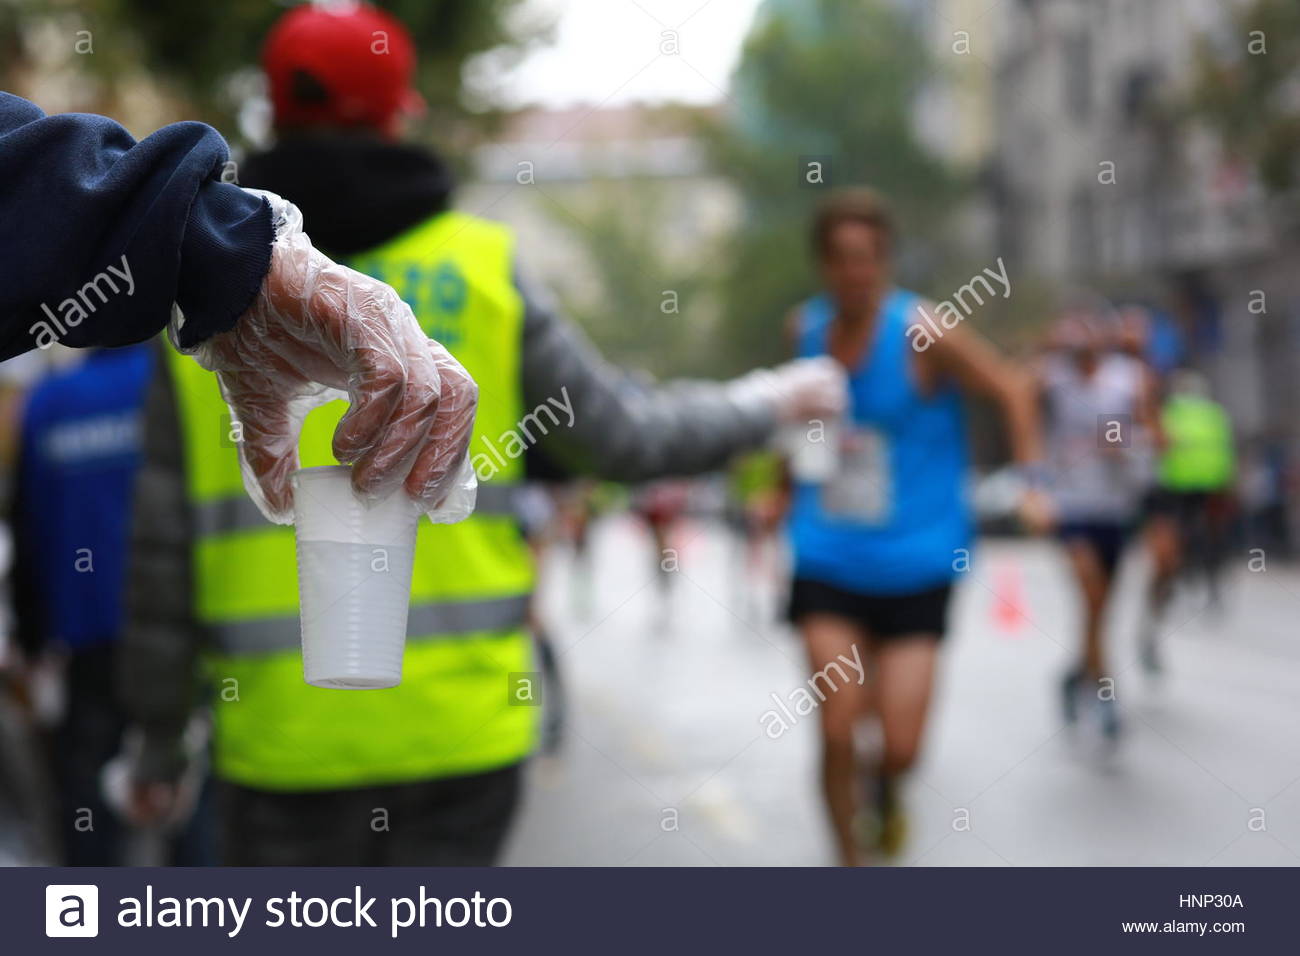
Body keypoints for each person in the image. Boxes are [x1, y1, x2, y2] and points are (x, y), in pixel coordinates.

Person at [120, 2, 845, 867]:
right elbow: (626, 438)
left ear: (272, 114)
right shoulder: (486, 269)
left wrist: (158, 747)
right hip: (464, 738)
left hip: (281, 745)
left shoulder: (205, 302)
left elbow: (160, 557)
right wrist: (769, 402)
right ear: (398, 115)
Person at [0, 91, 477, 520]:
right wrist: (209, 243)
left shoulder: (188, 297)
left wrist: (215, 246)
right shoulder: (487, 258)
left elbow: (153, 515)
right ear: (393, 119)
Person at [782, 189, 1051, 866]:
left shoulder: (924, 332)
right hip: (826, 556)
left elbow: (1013, 389)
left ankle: (885, 791)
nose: (856, 273)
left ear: (886, 262)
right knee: (839, 729)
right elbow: (802, 428)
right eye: (842, 259)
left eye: (869, 259)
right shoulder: (804, 333)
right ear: (823, 264)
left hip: (918, 562)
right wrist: (779, 489)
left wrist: (1032, 485)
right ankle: (848, 866)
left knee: (899, 748)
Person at [8, 345, 212, 864]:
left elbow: (31, 526)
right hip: (182, 636)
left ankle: (88, 926)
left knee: (87, 807)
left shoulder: (51, 402)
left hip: (90, 636)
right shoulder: (185, 383)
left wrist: (32, 635)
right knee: (193, 796)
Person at [1036, 306, 1160, 737]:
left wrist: (1125, 444)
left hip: (1116, 509)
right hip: (1071, 509)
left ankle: (1074, 675)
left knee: (1099, 612)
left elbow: (1153, 435)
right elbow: (1012, 391)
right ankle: (1105, 696)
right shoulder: (1051, 378)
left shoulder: (1128, 378)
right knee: (1090, 596)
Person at [1139, 369, 1236, 671]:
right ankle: (1151, 626)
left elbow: (1224, 452)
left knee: (1207, 544)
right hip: (1166, 494)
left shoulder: (1209, 415)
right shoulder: (1163, 412)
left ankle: (1202, 587)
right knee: (1166, 561)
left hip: (1201, 494)